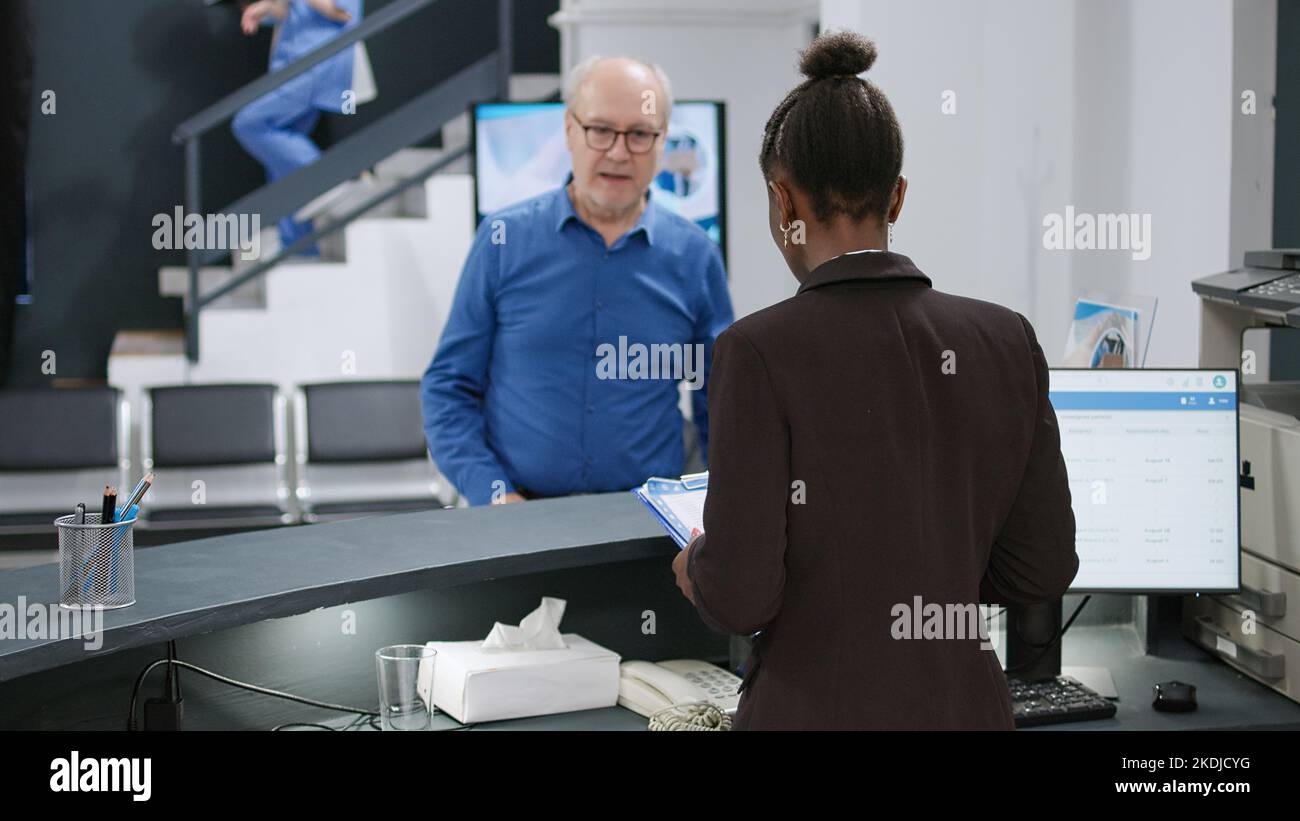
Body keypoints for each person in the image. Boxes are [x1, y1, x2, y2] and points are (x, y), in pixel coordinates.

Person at [672, 32, 1078, 730]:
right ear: (896, 197)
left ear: (782, 203)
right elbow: (1042, 569)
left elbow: (740, 596)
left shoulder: (758, 352)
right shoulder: (1005, 338)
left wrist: (695, 568)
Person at [421, 56, 734, 506]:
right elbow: (448, 387)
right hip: (519, 522)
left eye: (640, 134)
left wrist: (722, 511)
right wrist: (493, 492)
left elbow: (720, 403)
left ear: (663, 141)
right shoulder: (502, 241)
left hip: (648, 529)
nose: (619, 152)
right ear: (569, 129)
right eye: (601, 130)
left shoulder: (695, 256)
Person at [231, 0, 363, 257]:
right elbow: (292, 9)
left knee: (251, 123)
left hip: (314, 65)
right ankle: (299, 248)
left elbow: (343, 12)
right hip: (293, 63)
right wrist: (267, 8)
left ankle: (326, 178)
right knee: (281, 163)